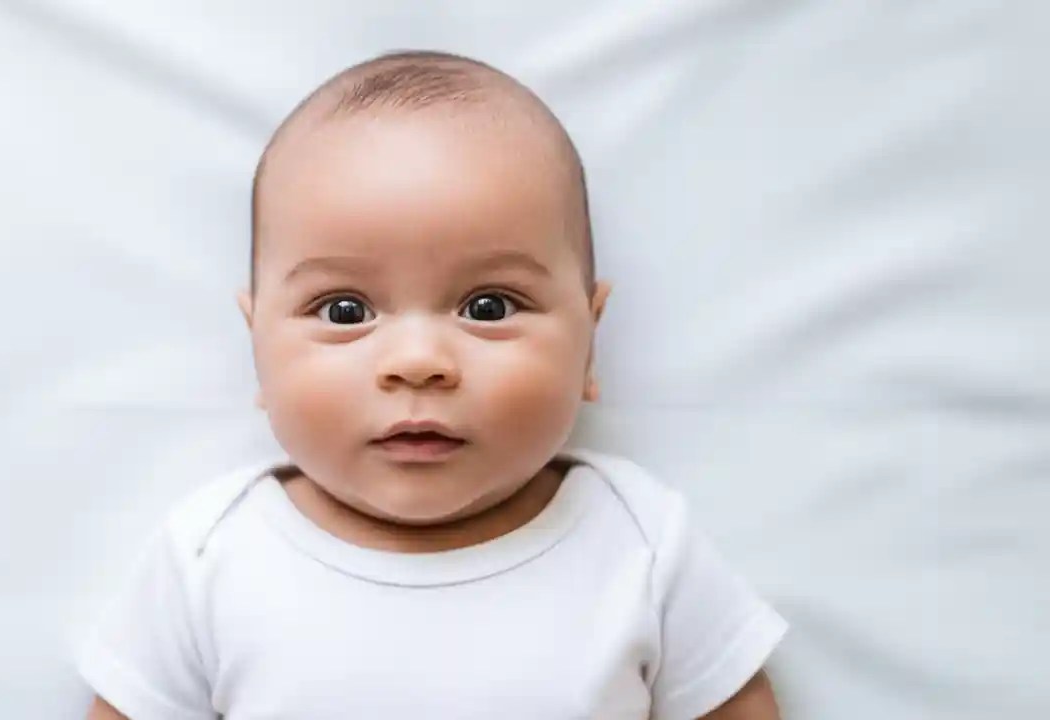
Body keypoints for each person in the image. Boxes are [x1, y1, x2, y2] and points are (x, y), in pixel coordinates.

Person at [78, 50, 787, 720]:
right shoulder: (210, 557)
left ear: (590, 341)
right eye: (345, 312)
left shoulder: (642, 544)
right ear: (256, 344)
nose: (417, 362)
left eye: (489, 307)